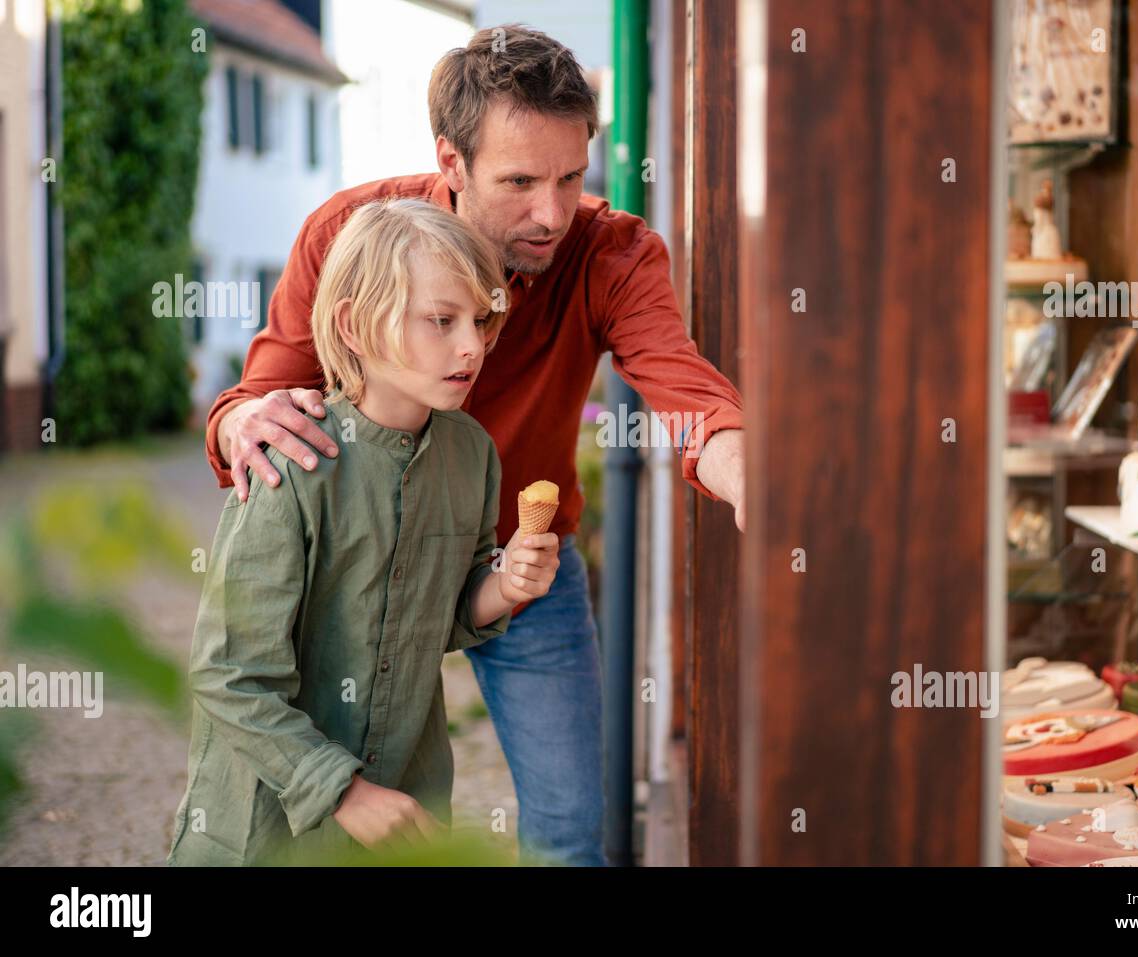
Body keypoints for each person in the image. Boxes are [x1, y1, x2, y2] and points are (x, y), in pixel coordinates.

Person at [204, 25, 746, 866]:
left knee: (569, 831)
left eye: (571, 177)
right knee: (320, 806)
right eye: (520, 181)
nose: (554, 213)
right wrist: (241, 423)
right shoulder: (349, 235)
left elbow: (685, 391)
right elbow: (258, 399)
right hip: (357, 562)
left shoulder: (611, 251)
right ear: (451, 164)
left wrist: (751, 475)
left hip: (522, 568)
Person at [168, 199, 560, 866]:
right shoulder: (290, 461)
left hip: (405, 809)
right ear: (355, 325)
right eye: (442, 320)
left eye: (481, 320)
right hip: (263, 832)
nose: (472, 345)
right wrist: (346, 793)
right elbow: (230, 674)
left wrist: (504, 586)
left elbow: (440, 618)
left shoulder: (473, 455)